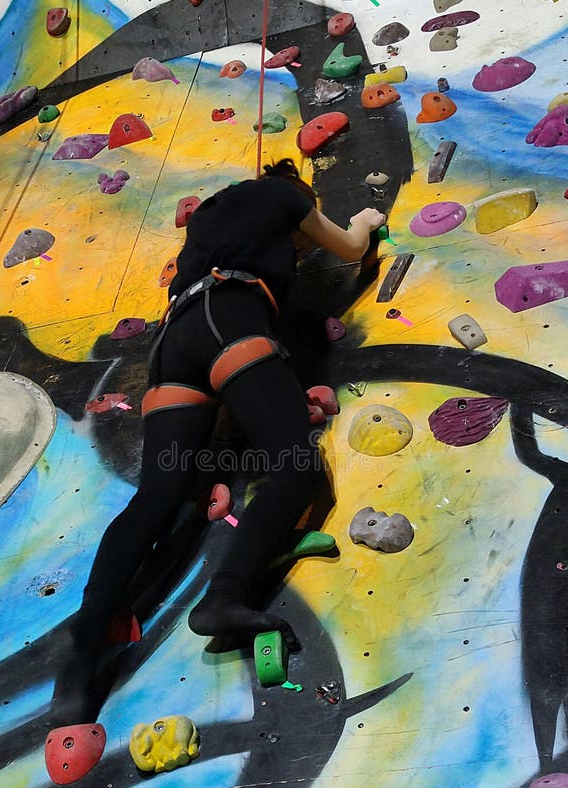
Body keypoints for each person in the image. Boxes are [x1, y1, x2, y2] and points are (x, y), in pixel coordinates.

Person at [51, 158, 385, 725]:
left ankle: (84, 647)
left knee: (157, 498)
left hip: (173, 340)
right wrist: (366, 219)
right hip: (231, 318)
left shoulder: (207, 215)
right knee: (293, 467)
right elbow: (350, 249)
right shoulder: (284, 198)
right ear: (296, 191)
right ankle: (226, 593)